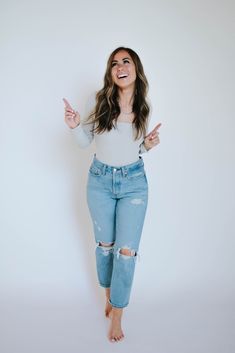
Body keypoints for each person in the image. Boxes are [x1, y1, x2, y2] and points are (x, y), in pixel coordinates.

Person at [63, 46, 161, 343]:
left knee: (126, 253)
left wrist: (148, 146)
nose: (120, 66)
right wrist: (75, 126)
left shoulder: (144, 107)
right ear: (111, 72)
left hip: (133, 183)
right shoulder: (101, 102)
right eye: (114, 63)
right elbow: (85, 142)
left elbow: (135, 148)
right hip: (100, 182)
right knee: (105, 246)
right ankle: (109, 295)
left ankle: (117, 314)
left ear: (135, 68)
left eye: (126, 61)